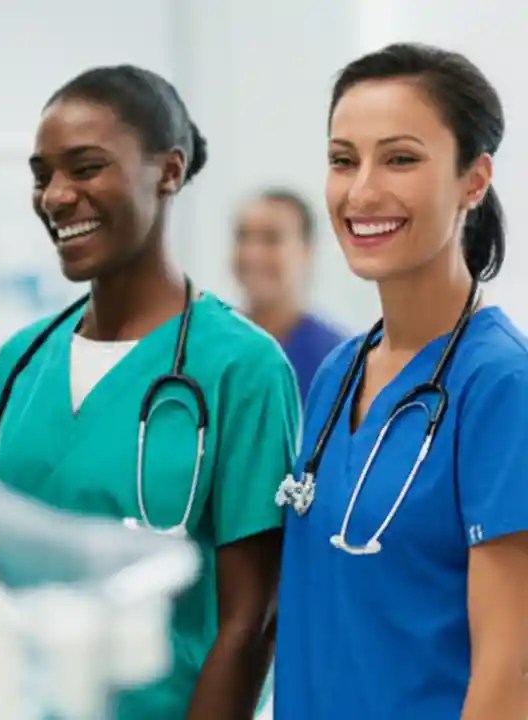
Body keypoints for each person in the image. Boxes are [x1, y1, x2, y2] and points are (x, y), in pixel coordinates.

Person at [0, 65, 300, 720]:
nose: (56, 196)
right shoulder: (20, 363)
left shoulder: (243, 367)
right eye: (42, 175)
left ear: (169, 171)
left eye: (86, 167)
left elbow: (252, 621)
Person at [274, 43, 528, 719]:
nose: (361, 191)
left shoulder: (502, 386)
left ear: (473, 180)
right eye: (342, 160)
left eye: (401, 158)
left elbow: (511, 677)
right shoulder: (338, 372)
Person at [232, 188, 344, 398]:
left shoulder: (338, 364)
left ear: (307, 250)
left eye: (271, 239)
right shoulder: (205, 351)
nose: (252, 253)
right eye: (243, 237)